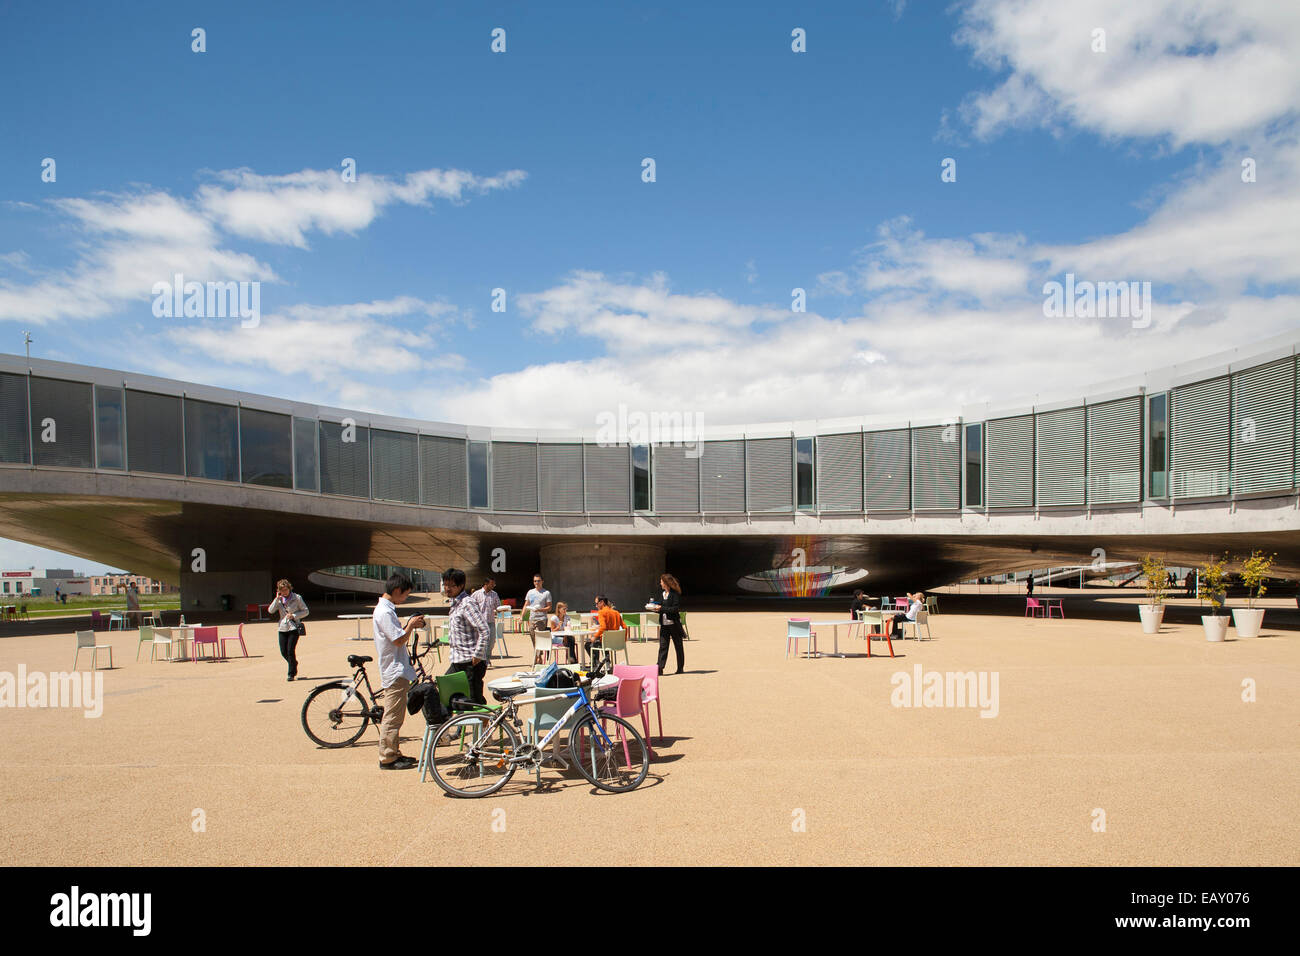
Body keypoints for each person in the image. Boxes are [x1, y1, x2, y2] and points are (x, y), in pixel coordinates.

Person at [372, 572, 426, 770]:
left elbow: (395, 637)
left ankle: (394, 752)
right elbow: (398, 640)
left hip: (395, 667)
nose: (405, 598)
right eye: (405, 595)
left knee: (395, 715)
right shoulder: (385, 612)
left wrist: (407, 626)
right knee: (393, 717)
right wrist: (410, 626)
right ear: (396, 591)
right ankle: (387, 757)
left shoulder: (386, 610)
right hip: (394, 669)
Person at [443, 567, 491, 704]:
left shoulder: (467, 603)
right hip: (457, 661)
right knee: (447, 695)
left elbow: (484, 629)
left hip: (471, 663)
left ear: (461, 586)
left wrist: (478, 654)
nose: (447, 588)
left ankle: (486, 724)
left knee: (474, 703)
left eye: (452, 585)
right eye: (445, 584)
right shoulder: (454, 604)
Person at [268, 579, 310, 681]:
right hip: (282, 627)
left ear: (289, 588)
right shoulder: (279, 599)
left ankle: (291, 674)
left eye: (286, 589)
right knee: (283, 651)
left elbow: (306, 611)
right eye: (282, 590)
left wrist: (294, 615)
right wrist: (276, 599)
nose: (284, 592)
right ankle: (293, 663)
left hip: (293, 627)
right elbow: (270, 610)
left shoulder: (297, 598)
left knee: (290, 650)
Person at [648, 573, 686, 675]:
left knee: (678, 646)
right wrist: (654, 608)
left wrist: (661, 608)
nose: (660, 584)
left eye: (661, 582)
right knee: (663, 646)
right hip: (664, 625)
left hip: (674, 624)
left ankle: (680, 668)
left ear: (666, 583)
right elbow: (659, 605)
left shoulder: (674, 594)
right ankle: (659, 668)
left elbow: (675, 609)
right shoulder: (662, 594)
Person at [586, 595, 625, 668]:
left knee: (588, 644)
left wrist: (595, 636)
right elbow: (625, 627)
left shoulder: (601, 612)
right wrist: (623, 640)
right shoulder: (616, 612)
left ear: (602, 602)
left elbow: (603, 627)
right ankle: (607, 662)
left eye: (597, 603)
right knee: (602, 639)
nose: (596, 606)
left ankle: (596, 664)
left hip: (606, 643)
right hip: (617, 643)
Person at [473, 575, 501, 660]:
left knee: (491, 642)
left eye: (494, 584)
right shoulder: (476, 594)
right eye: (492, 584)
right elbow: (471, 608)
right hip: (480, 623)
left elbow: (498, 607)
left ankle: (487, 659)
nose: (493, 586)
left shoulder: (494, 595)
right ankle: (482, 660)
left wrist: (501, 609)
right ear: (486, 584)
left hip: (491, 622)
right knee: (481, 643)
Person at [523, 573, 552, 638]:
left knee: (540, 639)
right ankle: (536, 649)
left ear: (542, 581)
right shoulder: (530, 592)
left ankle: (541, 648)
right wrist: (521, 617)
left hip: (541, 619)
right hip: (531, 619)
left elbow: (549, 608)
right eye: (535, 581)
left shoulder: (546, 593)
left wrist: (539, 610)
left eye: (538, 581)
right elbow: (526, 605)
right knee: (533, 638)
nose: (536, 582)